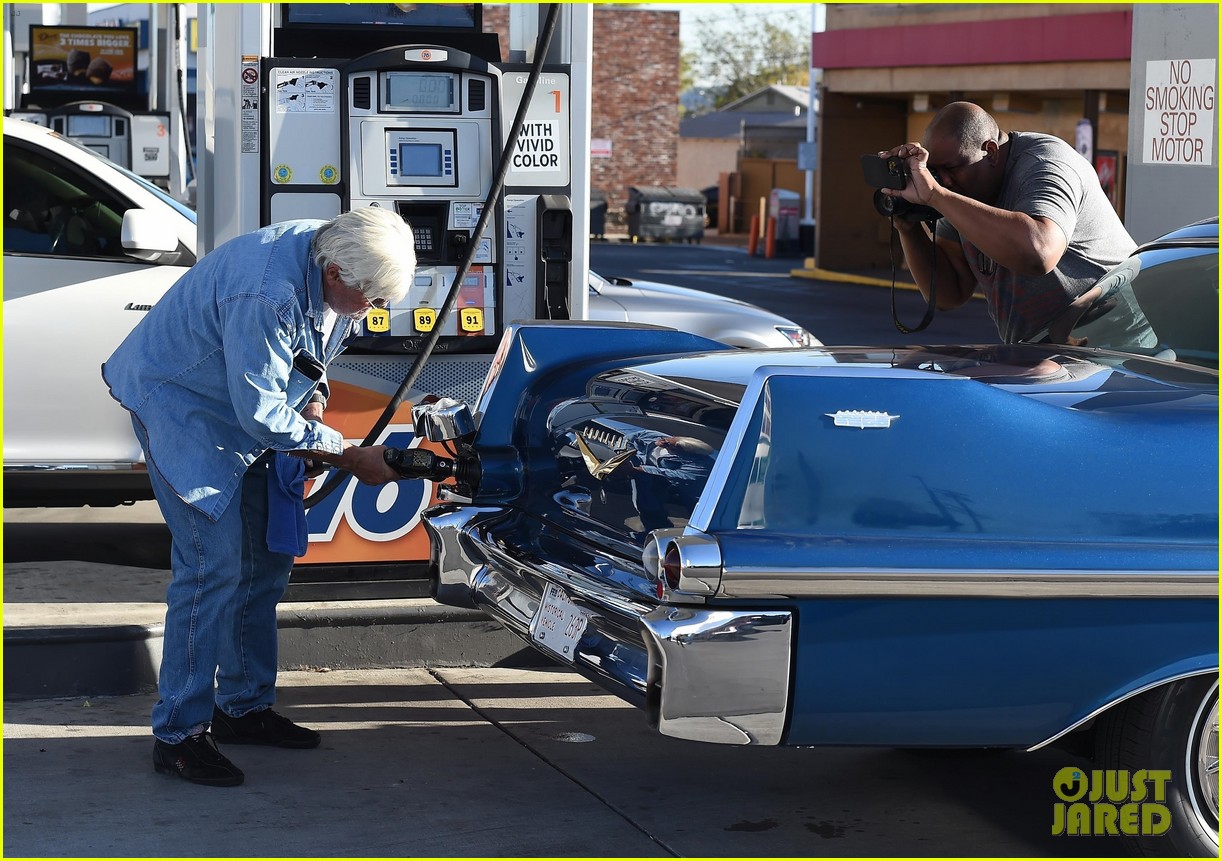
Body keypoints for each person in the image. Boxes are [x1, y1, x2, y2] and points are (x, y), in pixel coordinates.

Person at [102, 208, 416, 787]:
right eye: (370, 298)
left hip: (242, 411)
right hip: (184, 407)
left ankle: (243, 707)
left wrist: (314, 410)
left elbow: (309, 356)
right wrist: (345, 454)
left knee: (265, 563)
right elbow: (264, 415)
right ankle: (178, 735)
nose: (373, 310)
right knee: (212, 568)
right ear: (335, 272)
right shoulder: (265, 293)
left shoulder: (331, 254)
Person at [879, 101, 1136, 343]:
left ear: (990, 151)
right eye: (935, 172)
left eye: (952, 168)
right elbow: (949, 294)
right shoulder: (960, 193)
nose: (944, 181)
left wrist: (936, 195)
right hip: (1047, 352)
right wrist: (908, 228)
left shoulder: (1046, 163)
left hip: (1120, 344)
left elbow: (1039, 252)